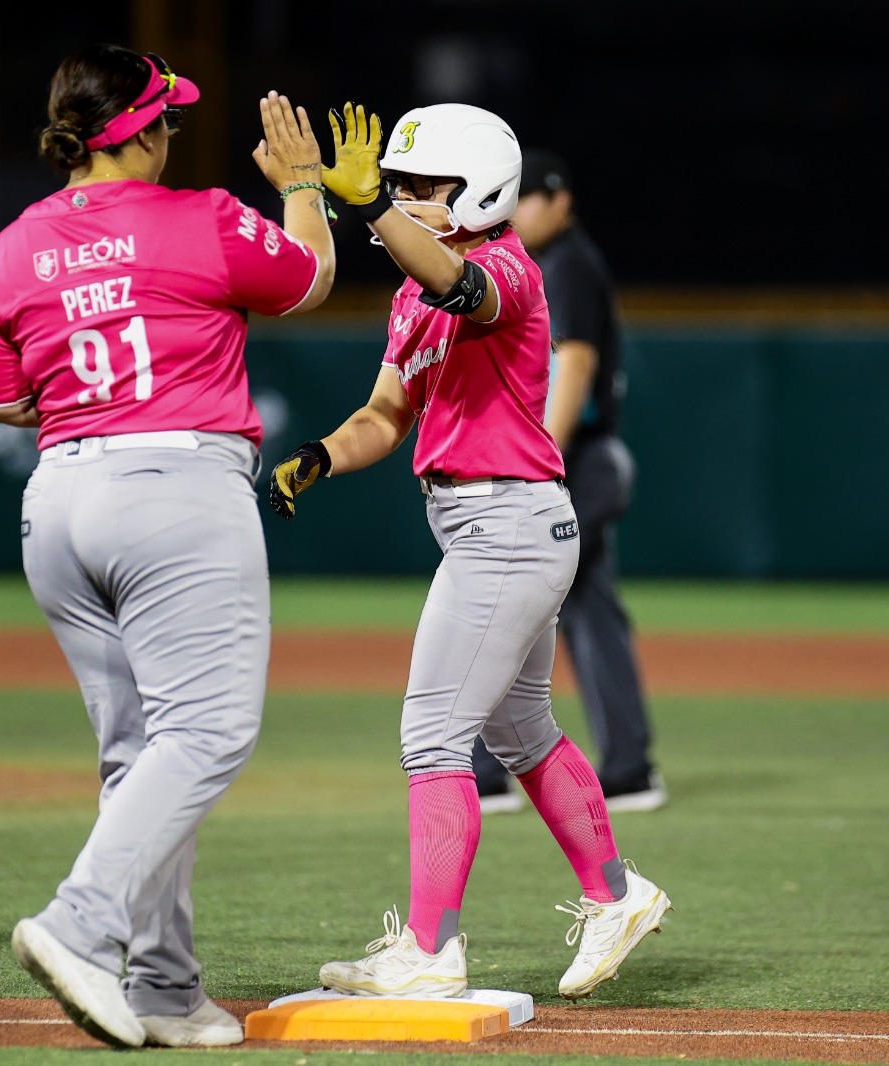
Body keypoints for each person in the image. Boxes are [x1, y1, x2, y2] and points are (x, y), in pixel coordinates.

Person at [0, 44, 334, 1047]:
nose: (175, 130)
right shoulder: (200, 216)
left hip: (59, 499)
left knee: (140, 755)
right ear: (135, 132)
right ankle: (79, 922)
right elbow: (307, 279)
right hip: (174, 487)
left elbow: (1, 402)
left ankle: (166, 987)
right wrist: (302, 187)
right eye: (165, 116)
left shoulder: (9, 248)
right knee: (209, 733)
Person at [270, 101, 669, 1000]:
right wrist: (320, 455)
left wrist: (370, 206)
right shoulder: (417, 289)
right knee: (520, 730)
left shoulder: (508, 272)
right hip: (496, 525)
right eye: (400, 185)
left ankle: (430, 949)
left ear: (485, 188)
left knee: (432, 737)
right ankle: (617, 893)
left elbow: (460, 284)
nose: (408, 199)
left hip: (506, 529)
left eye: (424, 186)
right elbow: (384, 415)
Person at [470, 149, 665, 814]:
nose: (518, 211)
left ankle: (485, 771)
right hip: (585, 460)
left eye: (530, 198)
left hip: (573, 461)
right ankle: (630, 766)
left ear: (560, 200)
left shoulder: (566, 264)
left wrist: (538, 458)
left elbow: (574, 364)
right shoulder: (549, 262)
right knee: (582, 606)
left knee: (506, 593)